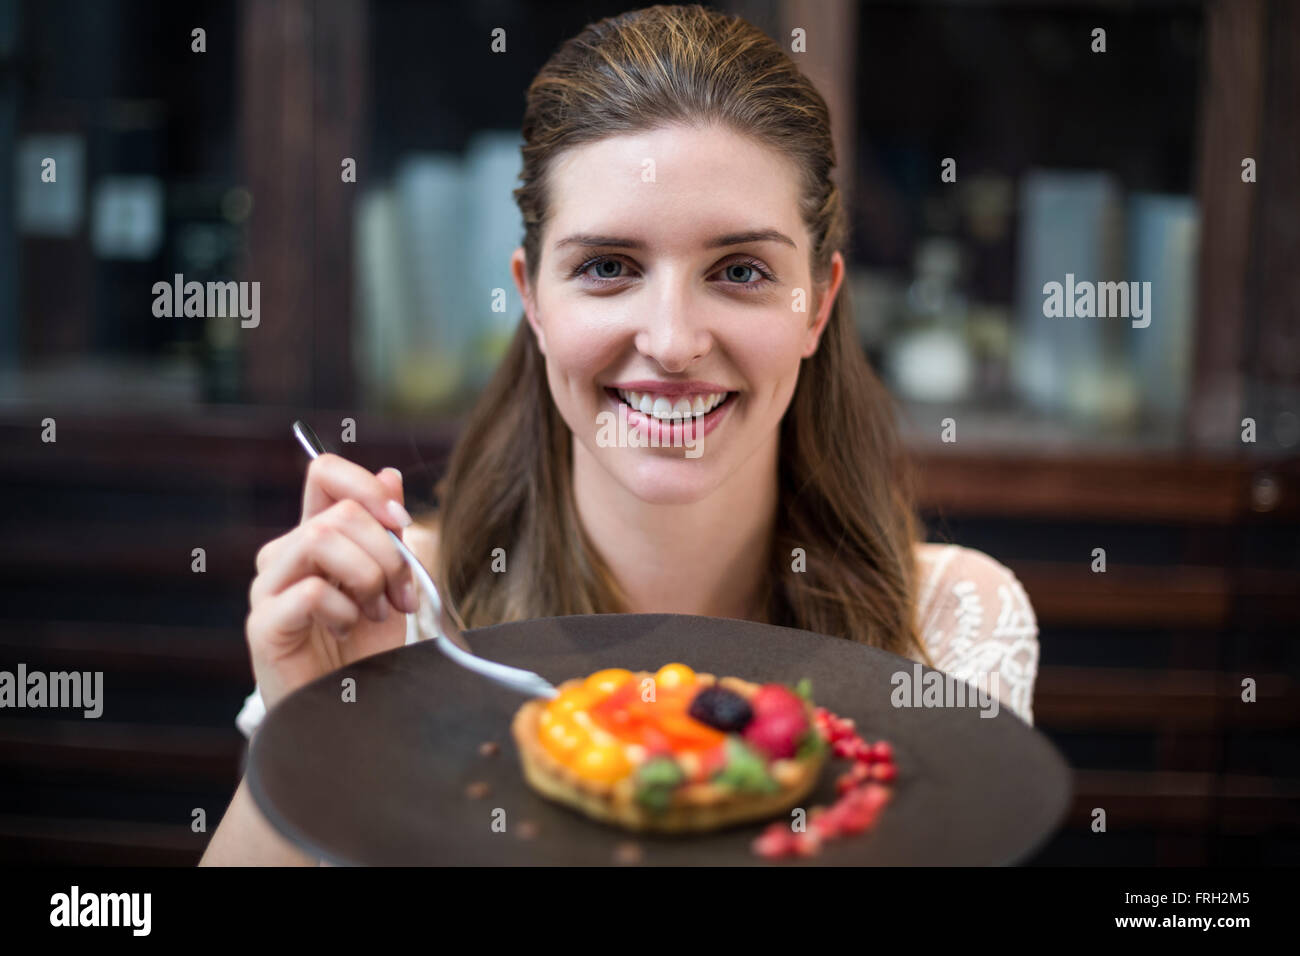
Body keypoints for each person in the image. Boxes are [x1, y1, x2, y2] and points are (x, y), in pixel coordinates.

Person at [199, 3, 1038, 866]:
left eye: (741, 271)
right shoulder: (393, 616)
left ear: (817, 302)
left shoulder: (949, 627)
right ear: (531, 297)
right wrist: (319, 728)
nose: (672, 342)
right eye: (607, 268)